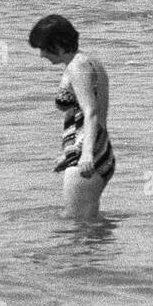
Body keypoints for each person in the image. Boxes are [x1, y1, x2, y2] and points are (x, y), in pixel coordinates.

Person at [29, 15, 115, 221]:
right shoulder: (90, 61)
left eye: (43, 47)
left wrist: (84, 154)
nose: (41, 55)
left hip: (88, 154)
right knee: (88, 226)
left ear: (58, 43)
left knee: (75, 227)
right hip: (98, 148)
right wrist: (70, 153)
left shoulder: (77, 67)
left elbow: (90, 112)